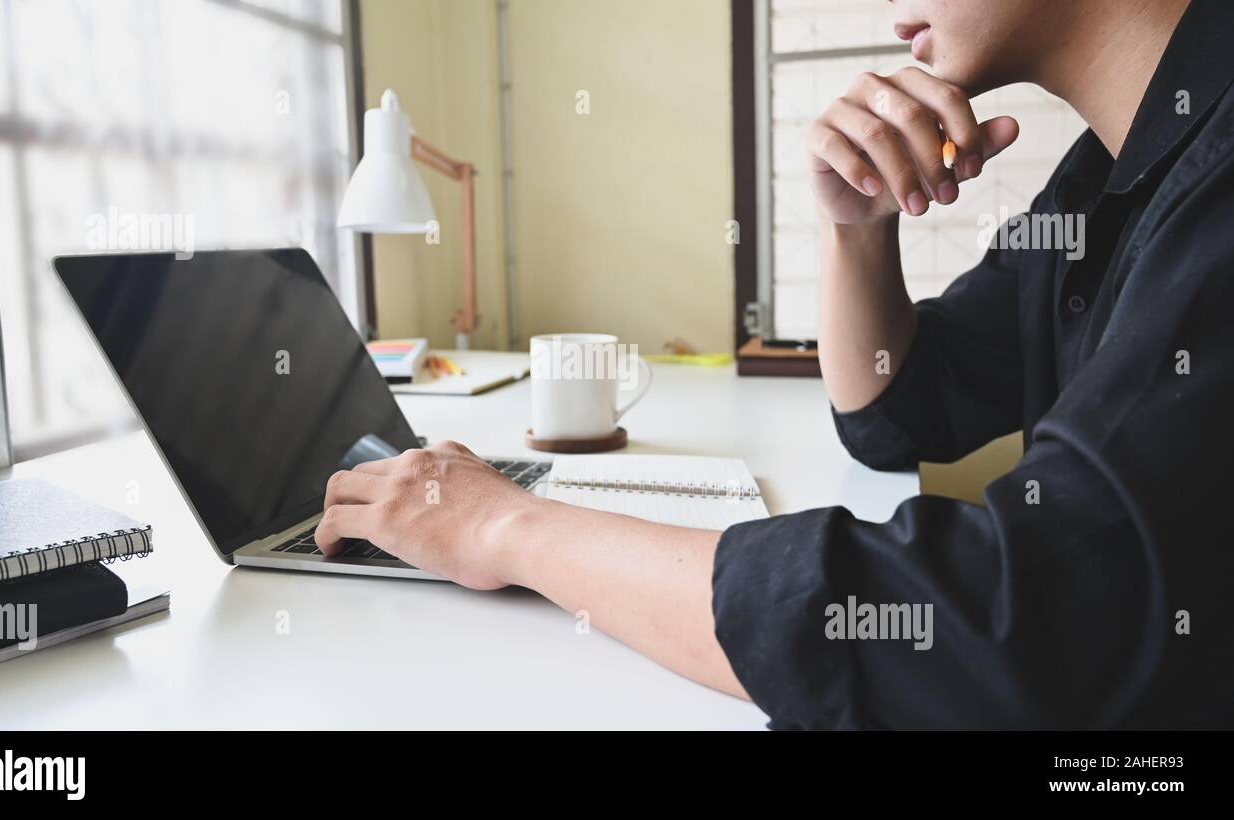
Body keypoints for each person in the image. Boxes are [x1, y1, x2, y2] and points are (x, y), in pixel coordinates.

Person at [314, 0, 1234, 729]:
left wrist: (507, 529)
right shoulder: (1097, 176)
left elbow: (1006, 628)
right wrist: (856, 227)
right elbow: (900, 415)